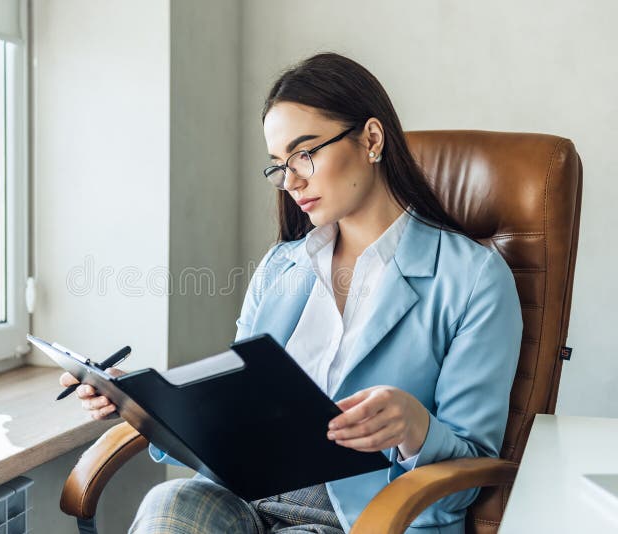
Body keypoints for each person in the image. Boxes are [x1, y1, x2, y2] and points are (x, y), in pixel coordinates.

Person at [60, 52, 523, 533]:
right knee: (170, 503)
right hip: (247, 498)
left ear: (371, 138)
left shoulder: (473, 279)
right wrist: (142, 401)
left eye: (304, 153)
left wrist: (415, 428)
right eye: (279, 165)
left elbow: (472, 473)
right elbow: (236, 407)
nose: (291, 182)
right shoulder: (281, 266)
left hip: (367, 519)